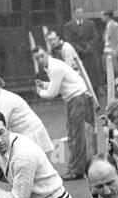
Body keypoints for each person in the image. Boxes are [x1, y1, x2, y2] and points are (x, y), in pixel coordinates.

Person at [33, 45, 93, 180]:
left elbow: (52, 93)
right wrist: (45, 84)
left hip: (78, 99)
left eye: (42, 56)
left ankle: (78, 171)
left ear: (47, 53)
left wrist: (40, 92)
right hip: (72, 99)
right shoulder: (50, 66)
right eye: (37, 58)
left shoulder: (55, 67)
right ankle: (75, 168)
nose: (41, 59)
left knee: (77, 136)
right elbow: (59, 84)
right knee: (72, 135)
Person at [0, 75, 53, 156]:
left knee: (34, 160)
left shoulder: (5, 99)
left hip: (31, 131)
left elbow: (0, 124)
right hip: (22, 133)